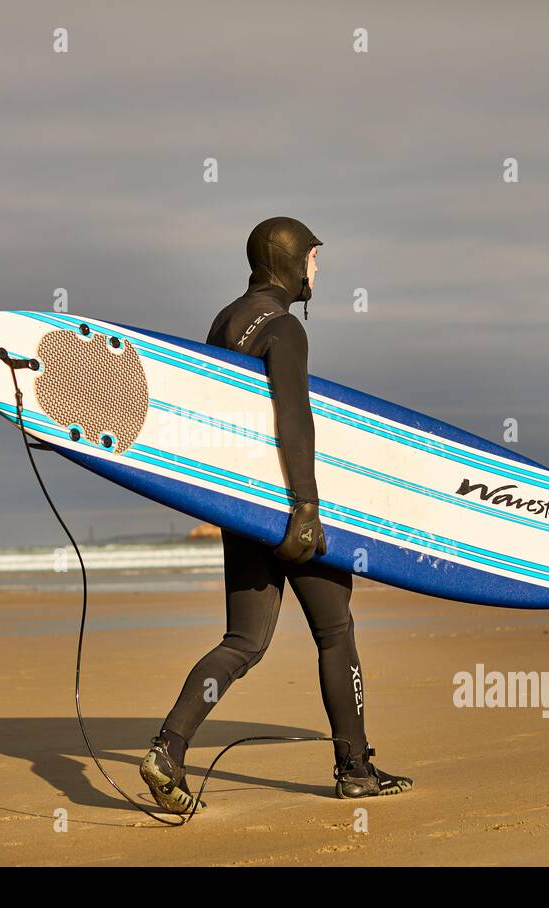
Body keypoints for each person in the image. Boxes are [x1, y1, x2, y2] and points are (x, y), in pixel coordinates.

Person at [140, 216, 413, 813]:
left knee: (243, 641)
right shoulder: (285, 328)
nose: (318, 270)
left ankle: (169, 746)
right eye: (314, 259)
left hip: (237, 507)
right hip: (288, 506)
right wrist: (307, 509)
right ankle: (355, 768)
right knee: (335, 631)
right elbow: (293, 418)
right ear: (290, 262)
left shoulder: (224, 321)